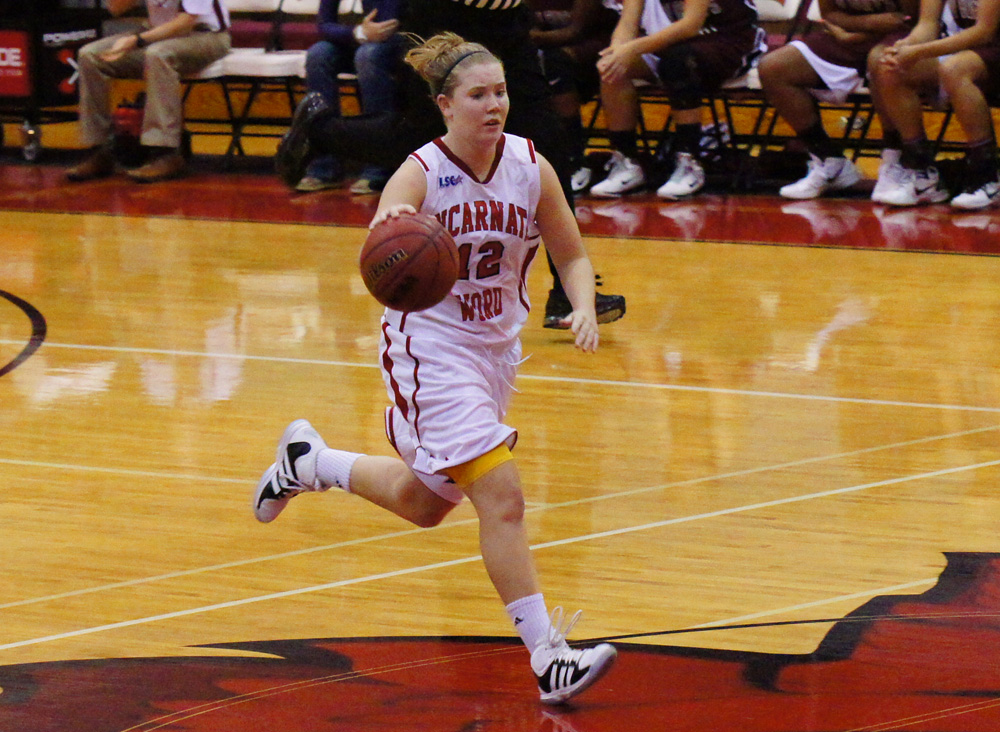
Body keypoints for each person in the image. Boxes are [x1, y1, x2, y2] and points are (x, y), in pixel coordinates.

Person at [257, 33, 618, 704]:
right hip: (430, 349)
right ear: (446, 105)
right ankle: (549, 657)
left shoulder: (530, 166)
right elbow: (382, 240)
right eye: (478, 95)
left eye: (501, 92)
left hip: (494, 354)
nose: (494, 105)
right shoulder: (421, 171)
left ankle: (310, 462)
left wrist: (582, 304)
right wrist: (391, 221)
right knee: (503, 499)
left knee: (424, 505)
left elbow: (570, 252)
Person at [275, 0, 627, 330]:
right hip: (444, 17)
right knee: (415, 137)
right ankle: (320, 132)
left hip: (505, 22)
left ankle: (566, 294)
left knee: (546, 141)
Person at [588, 0, 765, 198]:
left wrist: (633, 48)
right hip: (669, 46)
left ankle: (689, 162)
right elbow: (627, 24)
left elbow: (690, 25)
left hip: (727, 40)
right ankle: (627, 161)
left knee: (677, 63)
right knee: (611, 68)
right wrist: (617, 50)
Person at [757, 0, 918, 199]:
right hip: (849, 36)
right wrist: (864, 25)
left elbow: (912, 19)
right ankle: (829, 161)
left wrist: (859, 30)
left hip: (904, 39)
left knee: (882, 64)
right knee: (773, 68)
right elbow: (829, 14)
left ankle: (896, 162)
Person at [66, 0, 231, 183]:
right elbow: (116, 9)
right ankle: (99, 150)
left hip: (205, 36)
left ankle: (166, 153)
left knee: (157, 55)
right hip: (158, 34)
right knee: (89, 56)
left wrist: (138, 40)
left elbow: (186, 21)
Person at [866, 0, 1000, 208]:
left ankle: (987, 177)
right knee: (892, 69)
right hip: (962, 51)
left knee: (955, 69)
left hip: (991, 47)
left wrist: (920, 51)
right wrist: (905, 45)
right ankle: (924, 174)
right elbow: (928, 24)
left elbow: (984, 32)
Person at [295, 0, 404, 193]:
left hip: (407, 37)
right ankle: (325, 166)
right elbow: (324, 24)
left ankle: (380, 165)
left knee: (368, 56)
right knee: (318, 55)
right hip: (368, 40)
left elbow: (390, 19)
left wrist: (369, 32)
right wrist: (358, 33)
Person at [527, 0, 621, 192]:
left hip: (599, 46)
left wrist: (529, 38)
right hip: (552, 49)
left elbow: (576, 32)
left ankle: (575, 159)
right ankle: (533, 157)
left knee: (555, 62)